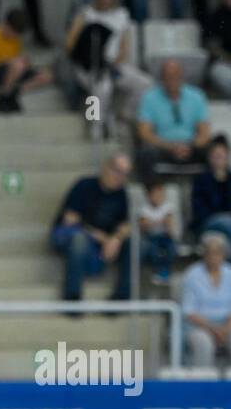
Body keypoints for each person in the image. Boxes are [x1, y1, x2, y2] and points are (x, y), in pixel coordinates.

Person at [62, 0, 152, 129]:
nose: (104, 0)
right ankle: (95, 124)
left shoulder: (122, 14)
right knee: (103, 88)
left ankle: (125, 116)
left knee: (145, 83)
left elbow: (124, 48)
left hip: (113, 64)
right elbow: (70, 45)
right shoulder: (86, 14)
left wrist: (114, 64)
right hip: (89, 65)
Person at [50, 153, 133, 303]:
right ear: (106, 167)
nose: (120, 177)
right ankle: (72, 297)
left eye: (125, 174)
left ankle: (122, 296)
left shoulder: (122, 194)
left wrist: (117, 238)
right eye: (117, 170)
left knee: (132, 243)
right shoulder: (84, 185)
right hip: (69, 235)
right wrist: (105, 239)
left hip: (101, 245)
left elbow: (126, 224)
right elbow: (70, 220)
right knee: (79, 238)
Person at [181, 230, 231, 368]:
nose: (213, 257)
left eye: (217, 252)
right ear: (204, 254)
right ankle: (203, 383)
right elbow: (189, 311)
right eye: (209, 252)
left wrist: (225, 329)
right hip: (199, 325)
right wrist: (214, 329)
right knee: (203, 342)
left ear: (224, 254)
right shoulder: (191, 275)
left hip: (228, 323)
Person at [135, 59, 211, 177]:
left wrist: (188, 146)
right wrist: (170, 147)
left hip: (191, 146)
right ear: (161, 78)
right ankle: (155, 194)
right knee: (144, 154)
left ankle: (208, 193)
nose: (172, 79)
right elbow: (144, 133)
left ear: (182, 76)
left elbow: (204, 133)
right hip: (163, 147)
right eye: (168, 76)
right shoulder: (149, 98)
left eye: (175, 75)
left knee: (214, 152)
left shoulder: (197, 96)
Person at [0, 9, 51, 113]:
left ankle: (13, 93)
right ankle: (3, 96)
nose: (14, 37)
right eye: (13, 33)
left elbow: (16, 59)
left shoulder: (16, 39)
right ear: (6, 25)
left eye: (17, 34)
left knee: (47, 75)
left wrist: (25, 63)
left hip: (12, 71)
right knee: (17, 65)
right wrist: (7, 61)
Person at [191, 134, 231, 262]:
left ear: (228, 156)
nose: (219, 158)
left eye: (222, 155)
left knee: (230, 250)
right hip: (209, 224)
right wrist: (223, 217)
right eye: (215, 155)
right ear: (209, 157)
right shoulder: (201, 181)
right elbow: (199, 210)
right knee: (228, 222)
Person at [138, 178, 179, 285]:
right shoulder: (144, 209)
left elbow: (169, 223)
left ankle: (166, 271)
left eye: (161, 194)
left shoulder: (168, 207)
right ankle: (157, 270)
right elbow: (143, 225)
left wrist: (155, 222)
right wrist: (159, 221)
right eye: (155, 194)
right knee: (153, 250)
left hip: (165, 236)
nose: (158, 197)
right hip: (151, 237)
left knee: (172, 249)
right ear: (149, 196)